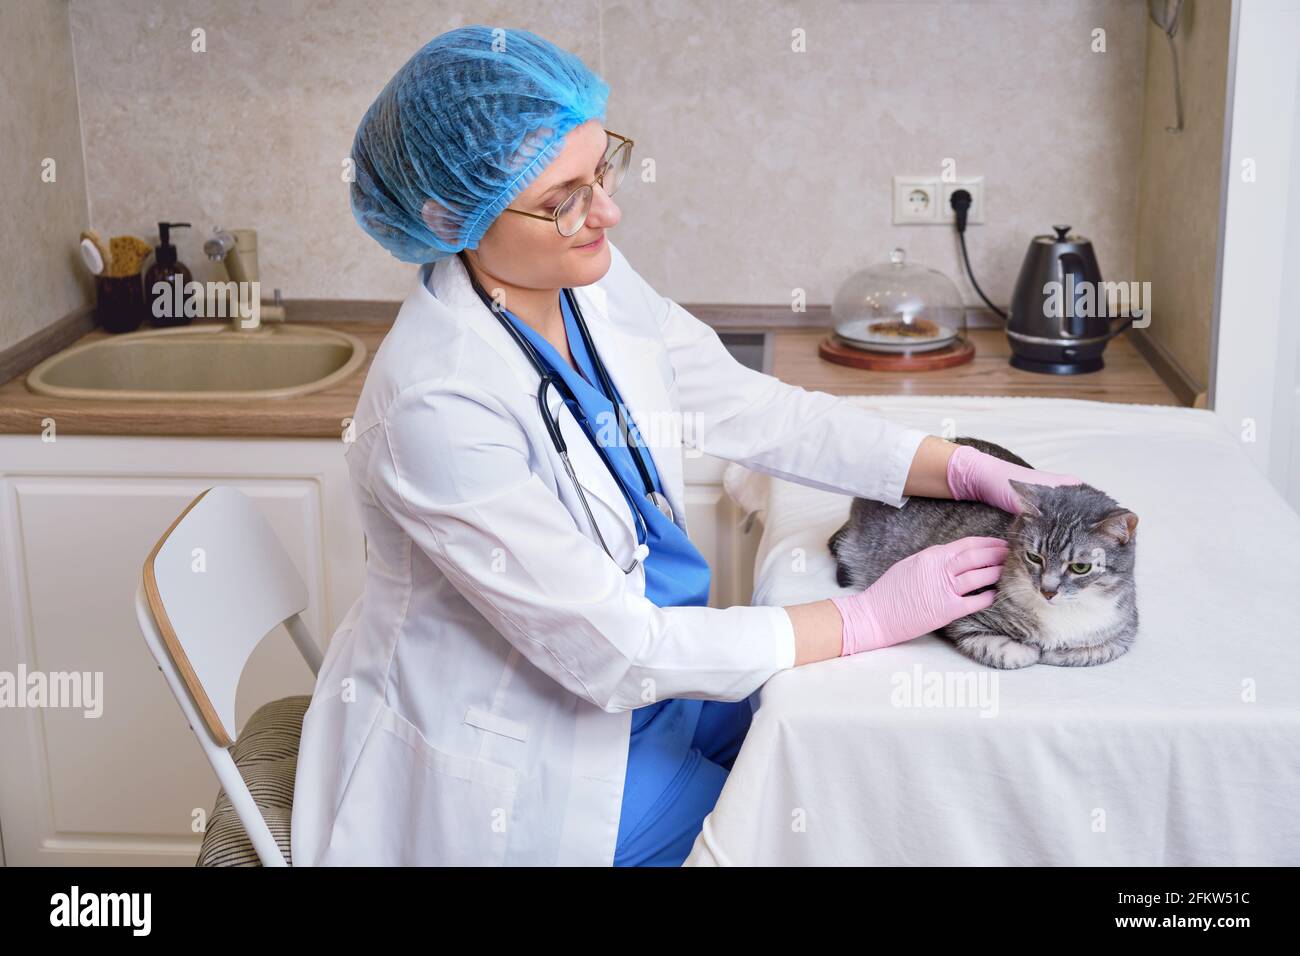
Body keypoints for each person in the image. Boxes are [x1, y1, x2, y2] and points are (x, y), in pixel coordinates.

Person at [289, 25, 1082, 867]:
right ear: (453, 216)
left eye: (603, 170)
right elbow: (616, 652)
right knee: (836, 829)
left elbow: (749, 407)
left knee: (867, 762)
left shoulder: (581, 275)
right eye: (565, 197)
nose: (608, 211)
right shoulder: (435, 403)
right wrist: (868, 616)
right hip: (546, 758)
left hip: (671, 689)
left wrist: (950, 462)